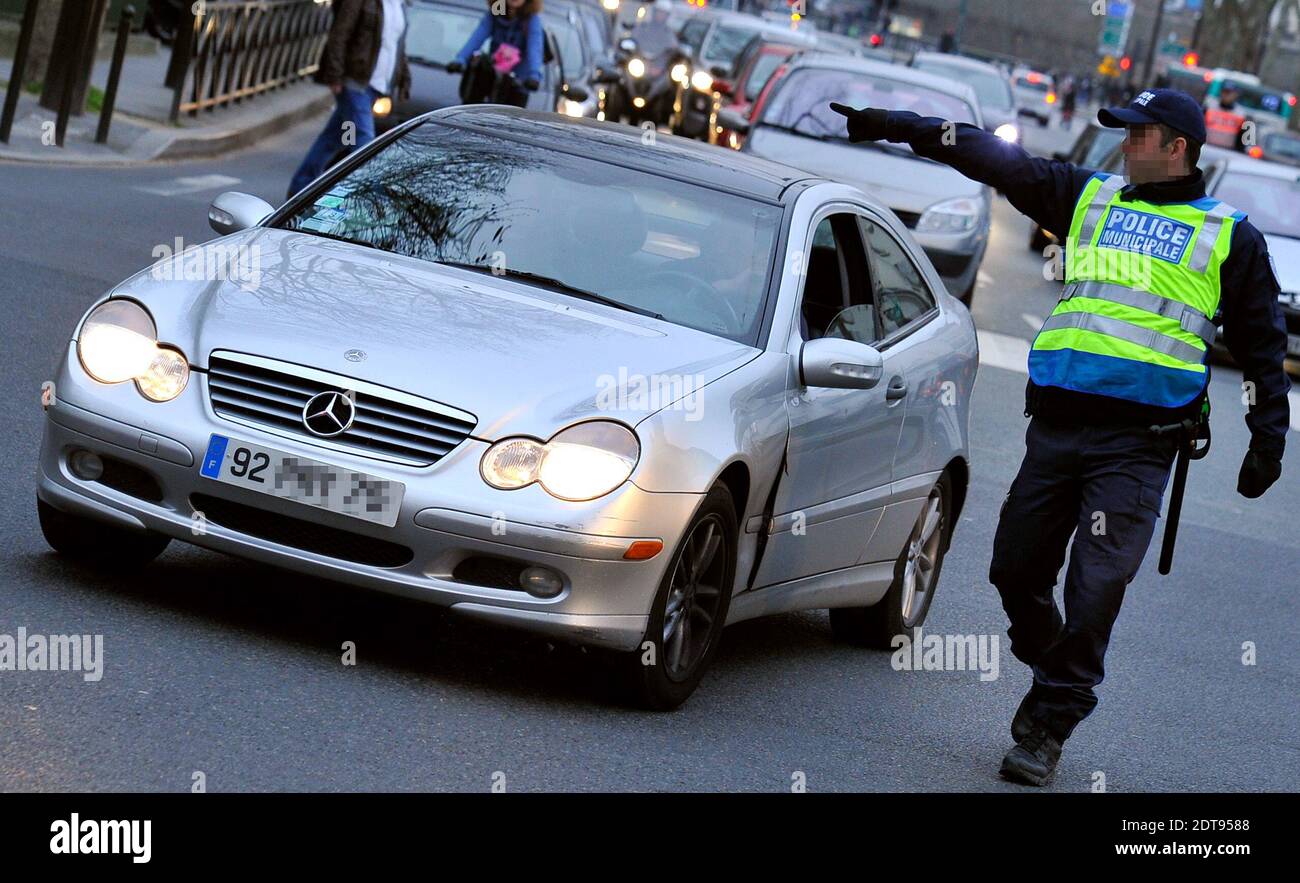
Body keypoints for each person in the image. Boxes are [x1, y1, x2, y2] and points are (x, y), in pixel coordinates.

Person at [830, 89, 1289, 785]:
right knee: (1014, 568)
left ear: (1177, 148)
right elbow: (994, 159)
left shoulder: (1230, 236)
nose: (1124, 144)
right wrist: (902, 127)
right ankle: (1052, 656)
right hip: (1059, 428)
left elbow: (1262, 343)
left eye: (1139, 135)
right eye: (1124, 133)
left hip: (1141, 441)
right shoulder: (1089, 198)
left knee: (1098, 585)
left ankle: (1049, 722)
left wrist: (1269, 435)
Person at [288, 0, 412, 198]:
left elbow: (397, 46)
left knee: (335, 138)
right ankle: (371, 200)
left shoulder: (401, 5)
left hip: (376, 86)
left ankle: (300, 188)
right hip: (355, 82)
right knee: (364, 142)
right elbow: (340, 33)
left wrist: (404, 78)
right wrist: (335, 74)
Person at [445, 0, 545, 107]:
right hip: (494, 78)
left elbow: (535, 47)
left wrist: (534, 75)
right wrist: (460, 59)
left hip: (517, 83)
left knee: (511, 115)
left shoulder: (532, 20)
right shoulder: (495, 14)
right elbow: (477, 37)